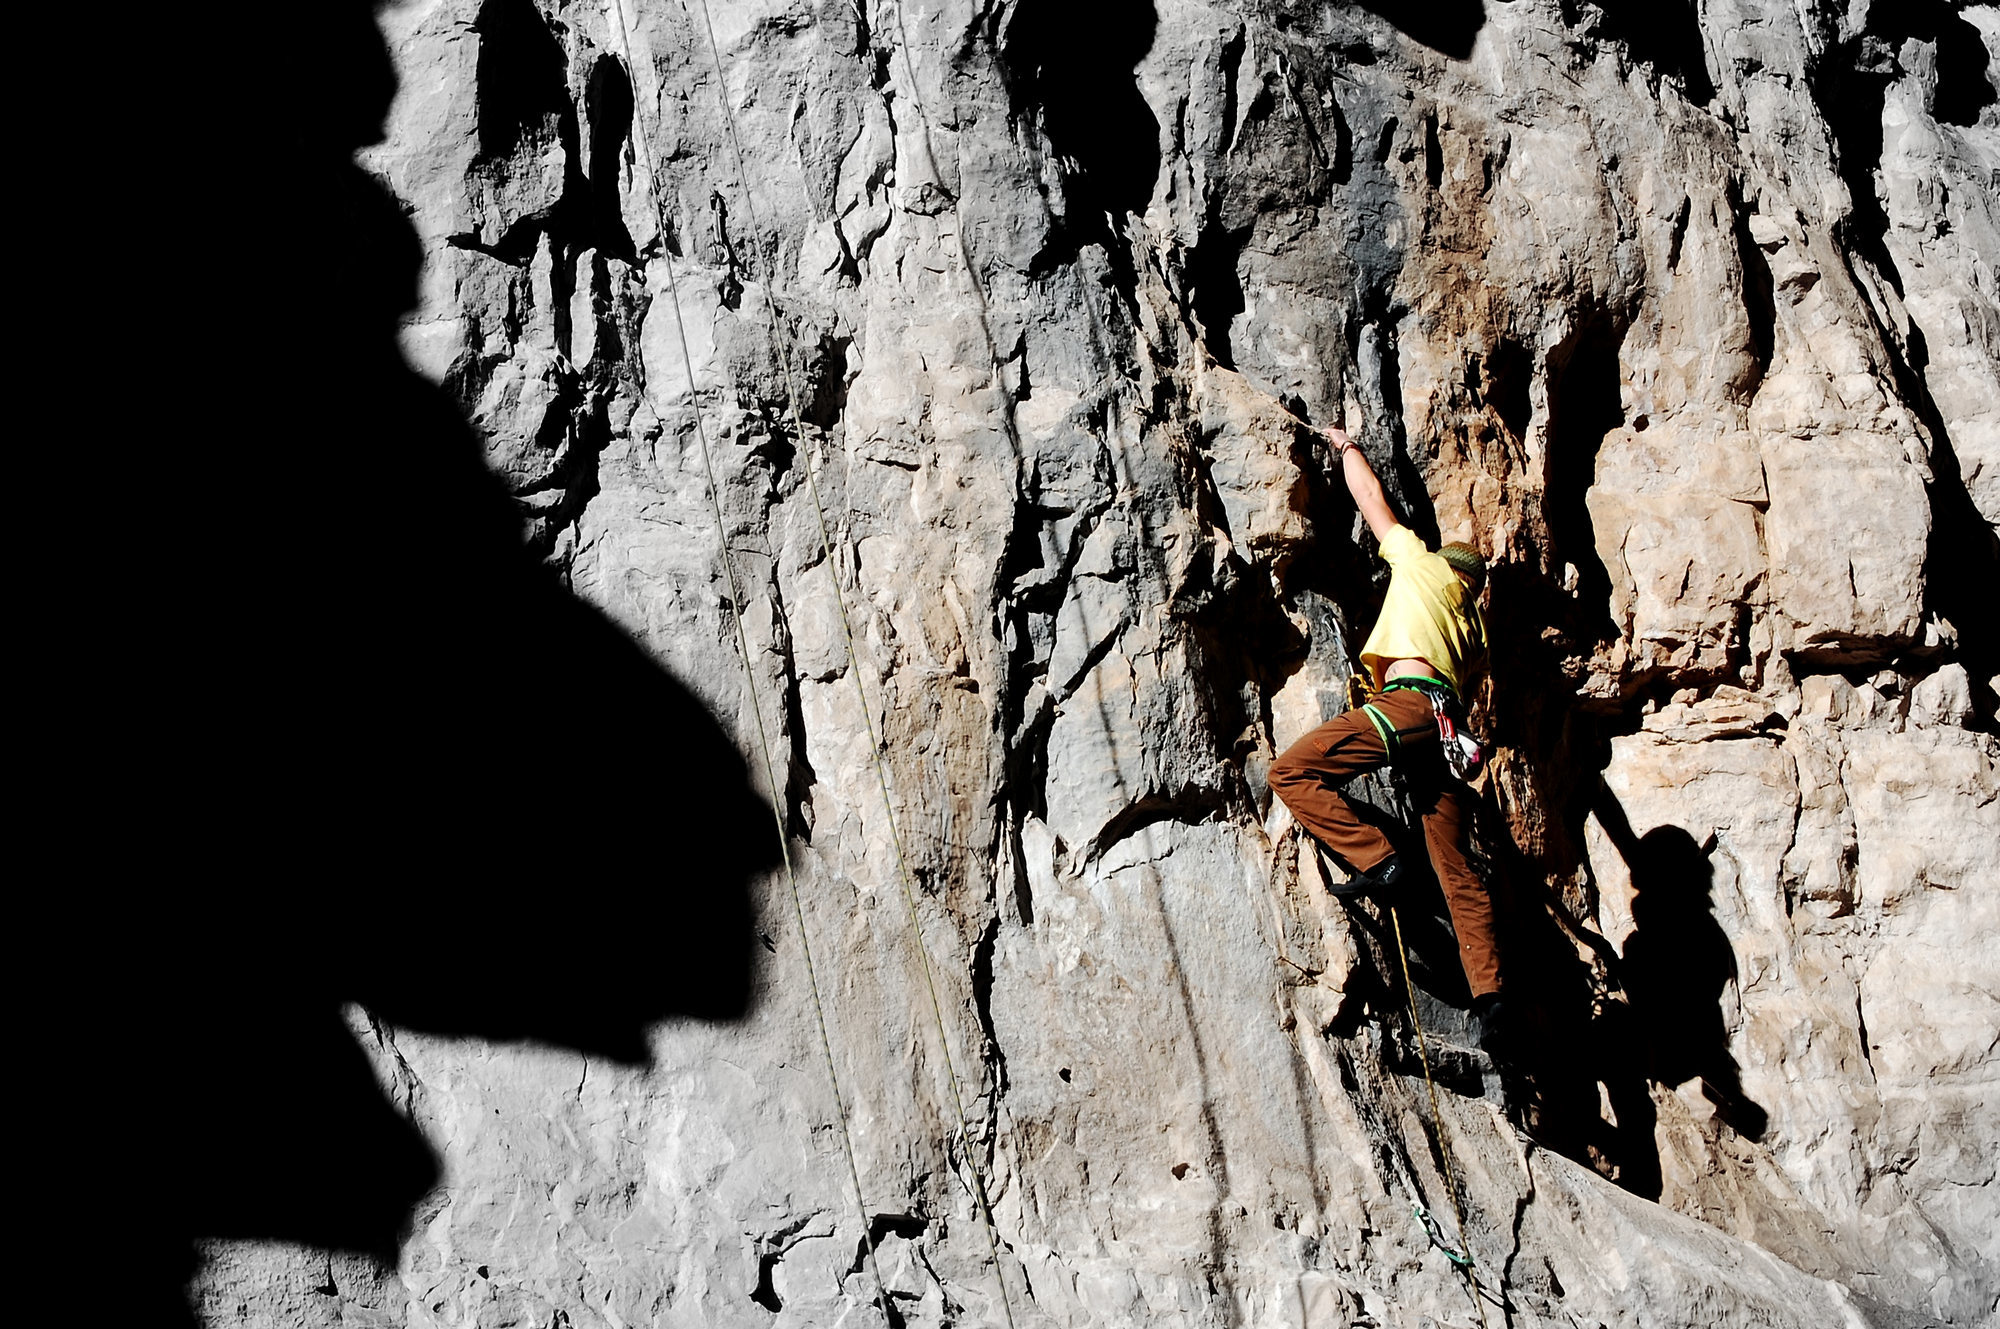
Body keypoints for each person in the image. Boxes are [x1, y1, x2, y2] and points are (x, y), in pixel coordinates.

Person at [1267, 425, 1508, 1044]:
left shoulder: (1422, 565)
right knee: (1458, 868)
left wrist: (1345, 445)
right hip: (1449, 731)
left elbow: (1371, 498)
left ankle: (1381, 860)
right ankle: (1492, 999)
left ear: (1446, 563)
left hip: (1408, 708)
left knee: (1291, 771)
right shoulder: (1476, 632)